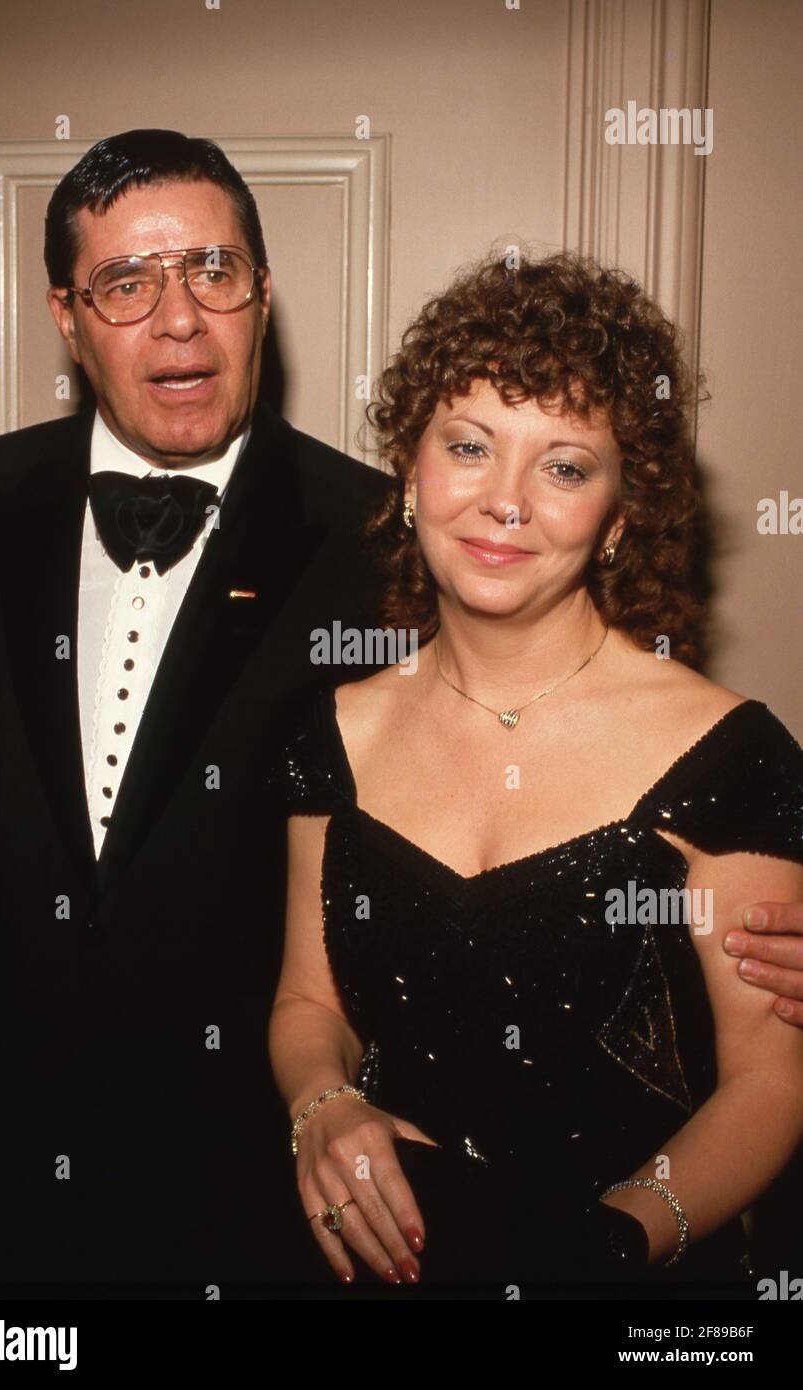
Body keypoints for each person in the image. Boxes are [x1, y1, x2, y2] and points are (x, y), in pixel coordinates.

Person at [269, 250, 803, 1296]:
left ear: (616, 515)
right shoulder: (328, 736)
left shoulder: (730, 759)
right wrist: (320, 1102)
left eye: (563, 466)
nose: (503, 501)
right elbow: (304, 997)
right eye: (468, 446)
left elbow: (766, 1086)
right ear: (411, 470)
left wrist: (606, 1247)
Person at [0, 128, 391, 1291]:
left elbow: (517, 772)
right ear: (67, 318)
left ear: (261, 297)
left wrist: (692, 909)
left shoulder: (388, 545)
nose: (178, 318)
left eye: (213, 271)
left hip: (254, 1195)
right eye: (126, 284)